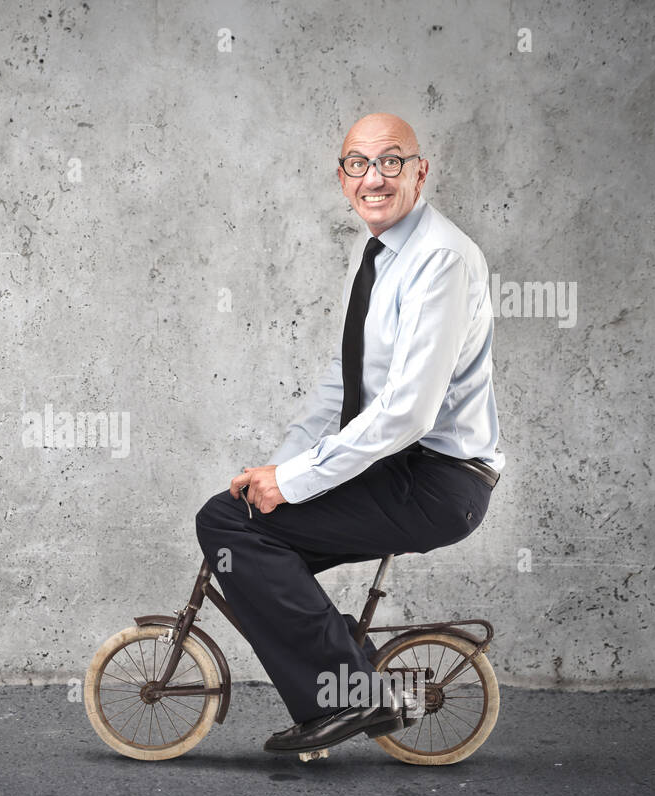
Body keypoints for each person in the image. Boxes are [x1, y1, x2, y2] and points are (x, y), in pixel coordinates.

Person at [194, 112, 504, 754]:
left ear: (421, 172)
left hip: (439, 480)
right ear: (342, 178)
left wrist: (296, 480)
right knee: (244, 527)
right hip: (402, 468)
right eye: (359, 164)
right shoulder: (382, 256)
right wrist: (275, 476)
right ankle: (359, 686)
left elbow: (408, 412)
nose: (375, 177)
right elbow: (343, 388)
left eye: (392, 161)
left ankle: (347, 698)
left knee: (226, 528)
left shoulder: (439, 259)